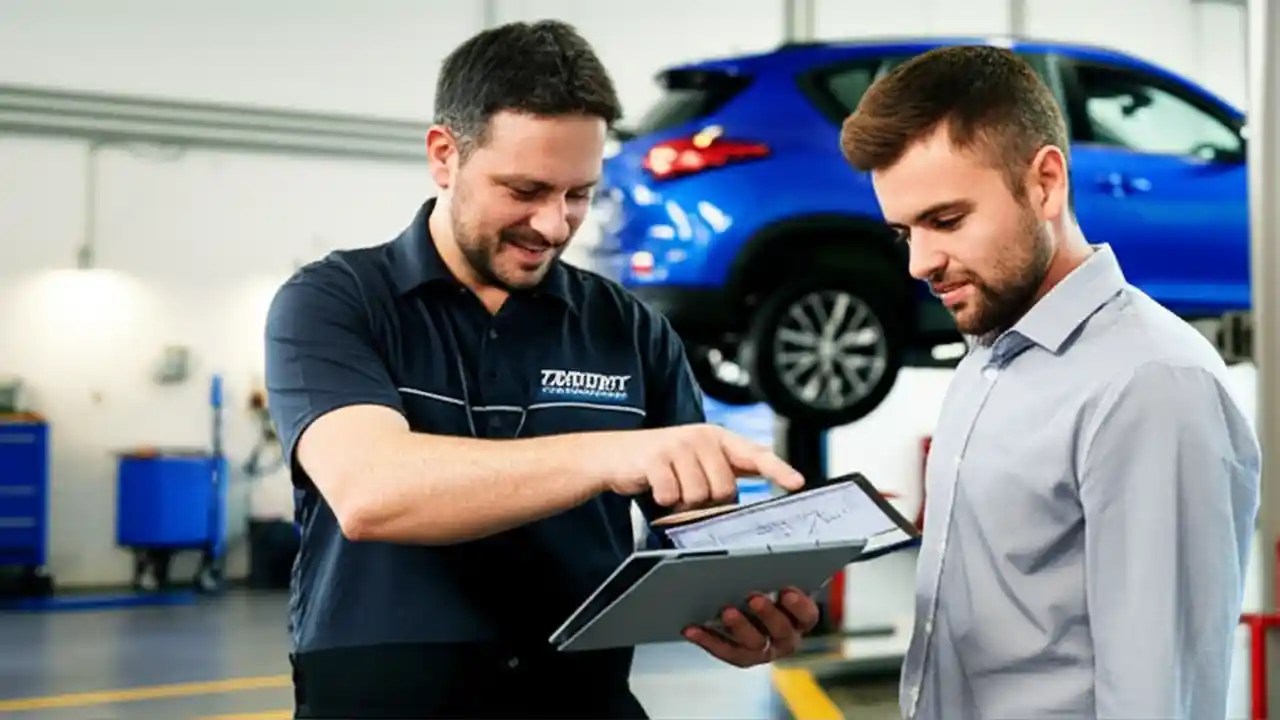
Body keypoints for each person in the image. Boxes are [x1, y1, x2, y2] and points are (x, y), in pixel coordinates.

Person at [263, 19, 821, 720]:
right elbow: (373, 491)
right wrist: (614, 454)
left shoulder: (631, 329)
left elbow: (694, 536)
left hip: (577, 698)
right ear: (445, 155)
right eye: (524, 190)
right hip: (387, 701)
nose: (554, 225)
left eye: (577, 194)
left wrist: (744, 607)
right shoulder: (335, 302)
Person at [839, 46, 1261, 719]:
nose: (920, 262)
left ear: (1046, 183)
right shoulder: (992, 352)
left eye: (946, 221)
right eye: (903, 231)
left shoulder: (1150, 387)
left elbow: (1159, 697)